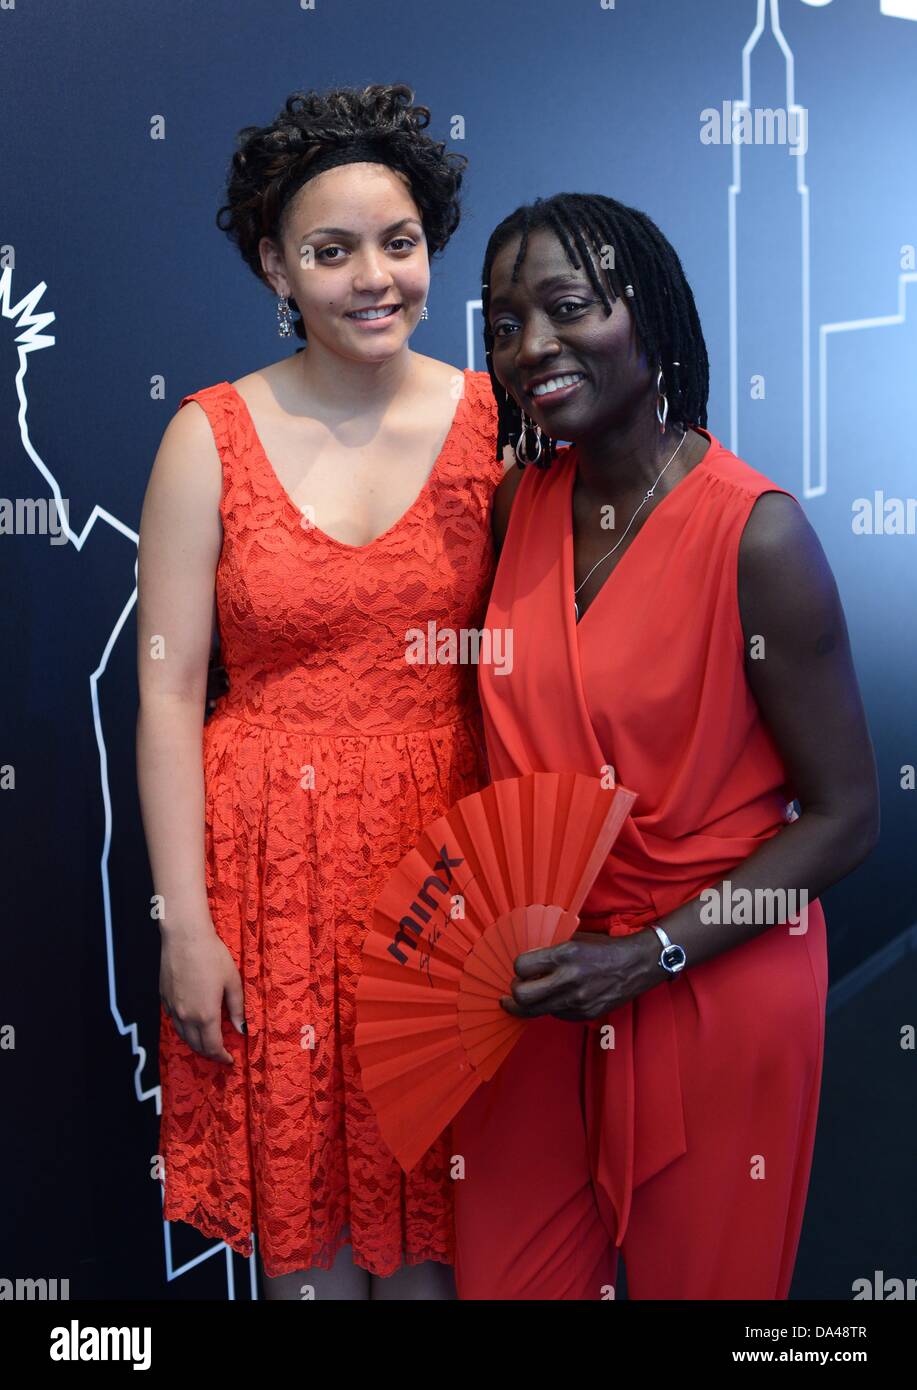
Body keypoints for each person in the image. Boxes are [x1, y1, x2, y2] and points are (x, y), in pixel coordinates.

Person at [450, 193, 880, 1300]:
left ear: (650, 317)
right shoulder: (515, 507)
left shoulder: (757, 532)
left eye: (565, 306)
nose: (531, 346)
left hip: (711, 980)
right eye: (503, 324)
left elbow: (843, 818)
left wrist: (647, 955)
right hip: (539, 982)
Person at [136, 84, 508, 1301]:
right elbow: (168, 692)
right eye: (329, 250)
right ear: (273, 267)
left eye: (397, 244)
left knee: (443, 1259)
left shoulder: (493, 419)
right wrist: (185, 926)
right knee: (312, 1267)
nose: (371, 278)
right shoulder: (209, 435)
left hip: (443, 873)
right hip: (268, 878)